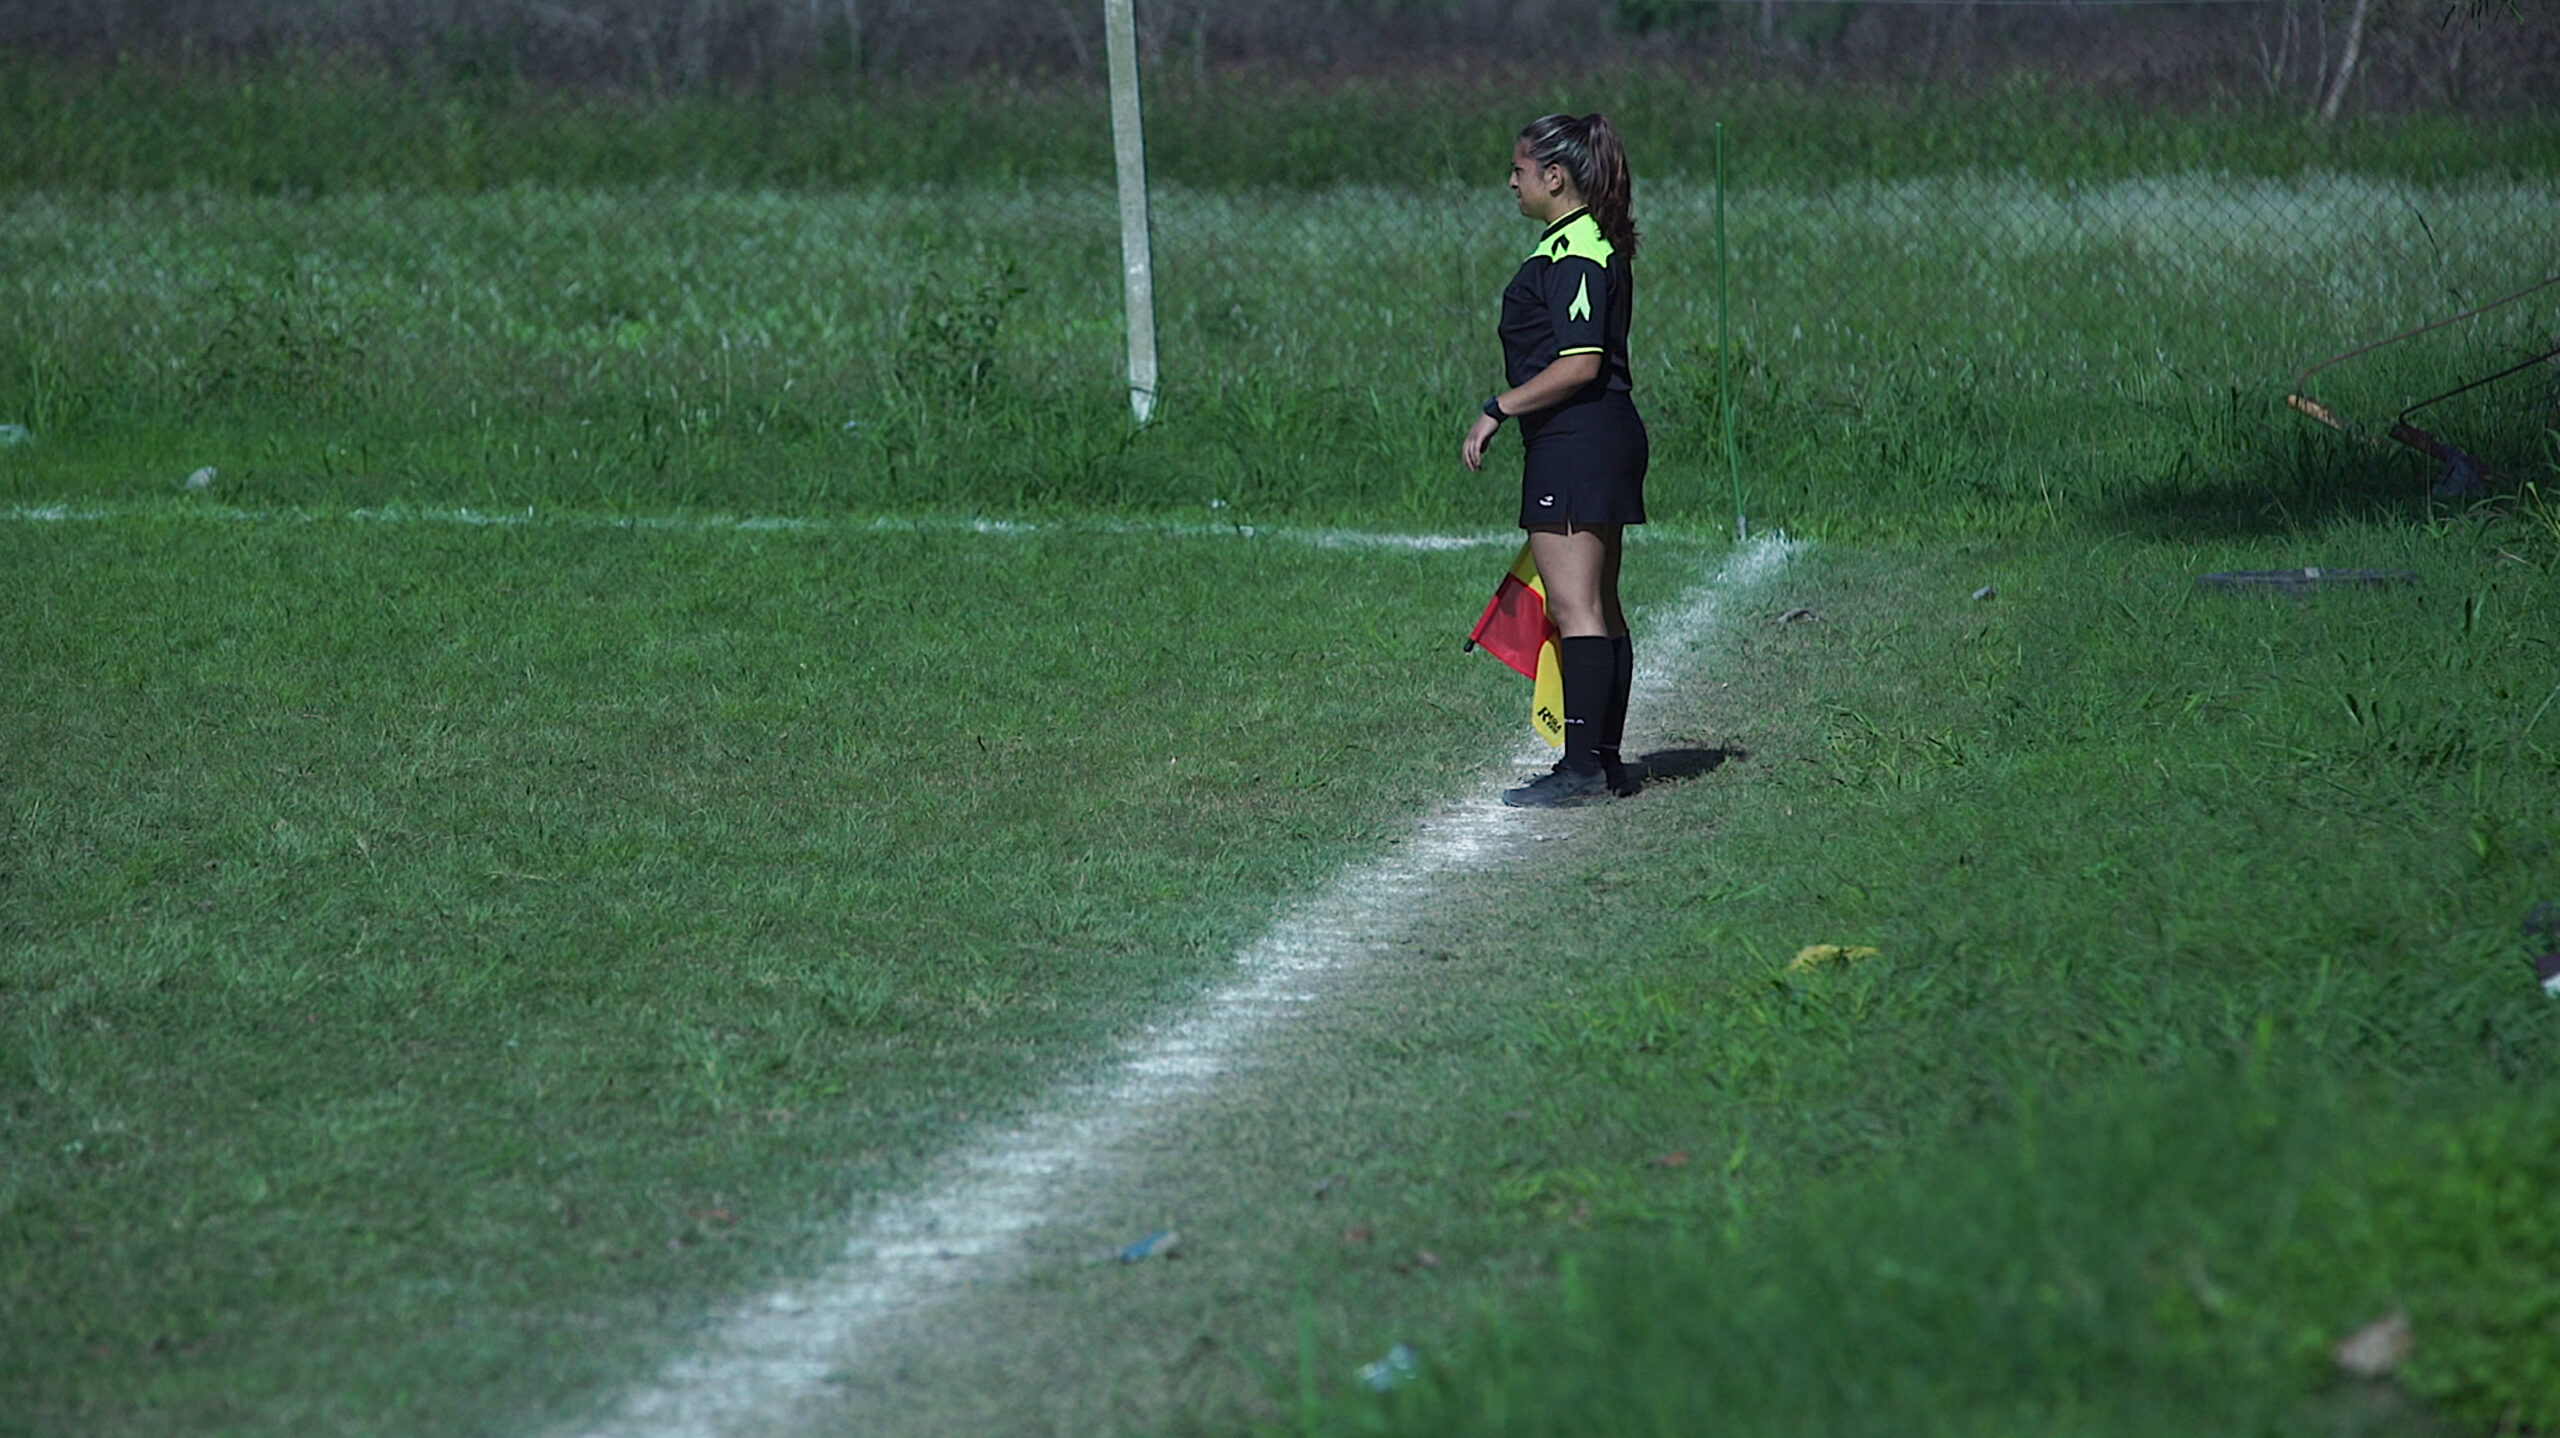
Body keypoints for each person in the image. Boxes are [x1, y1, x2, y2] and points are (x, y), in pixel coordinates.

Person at [1462, 112, 1649, 808]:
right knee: (1599, 605)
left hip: (1578, 439)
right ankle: (1603, 760)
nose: (1510, 181)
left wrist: (1499, 407)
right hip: (1598, 438)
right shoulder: (1582, 242)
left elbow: (1580, 364)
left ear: (1555, 177)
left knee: (1577, 608)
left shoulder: (1574, 251)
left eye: (1518, 169)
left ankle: (1582, 770)